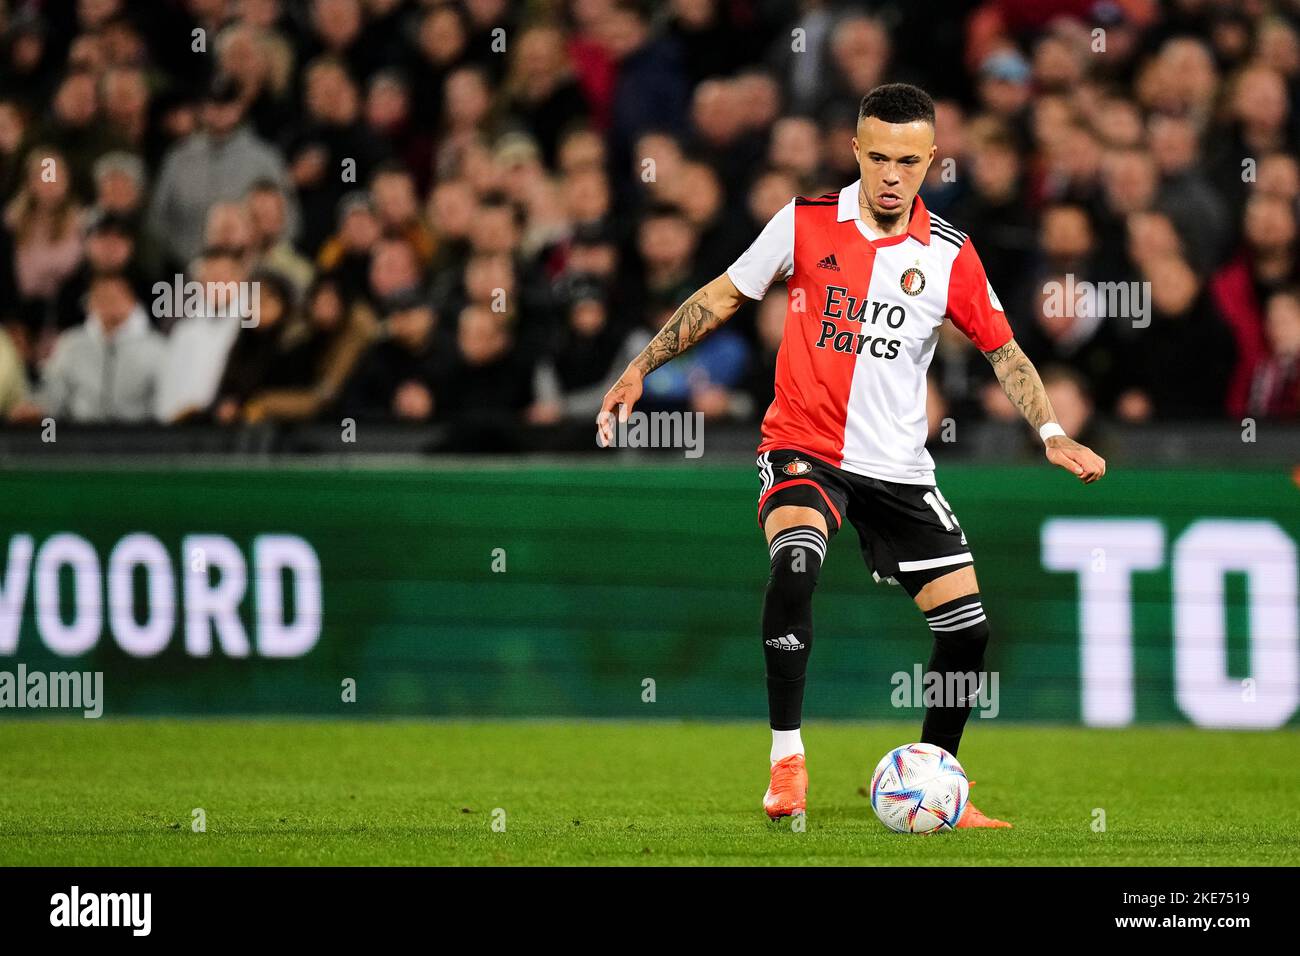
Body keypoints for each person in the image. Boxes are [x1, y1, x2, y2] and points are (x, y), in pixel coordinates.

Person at [596, 83, 1107, 827]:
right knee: (796, 561)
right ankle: (786, 760)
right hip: (804, 446)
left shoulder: (950, 255)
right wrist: (639, 368)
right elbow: (720, 296)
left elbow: (1007, 352)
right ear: (856, 153)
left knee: (967, 631)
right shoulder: (803, 223)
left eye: (909, 160)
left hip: (898, 468)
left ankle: (942, 783)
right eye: (879, 157)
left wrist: (1054, 434)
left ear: (932, 159)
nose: (893, 174)